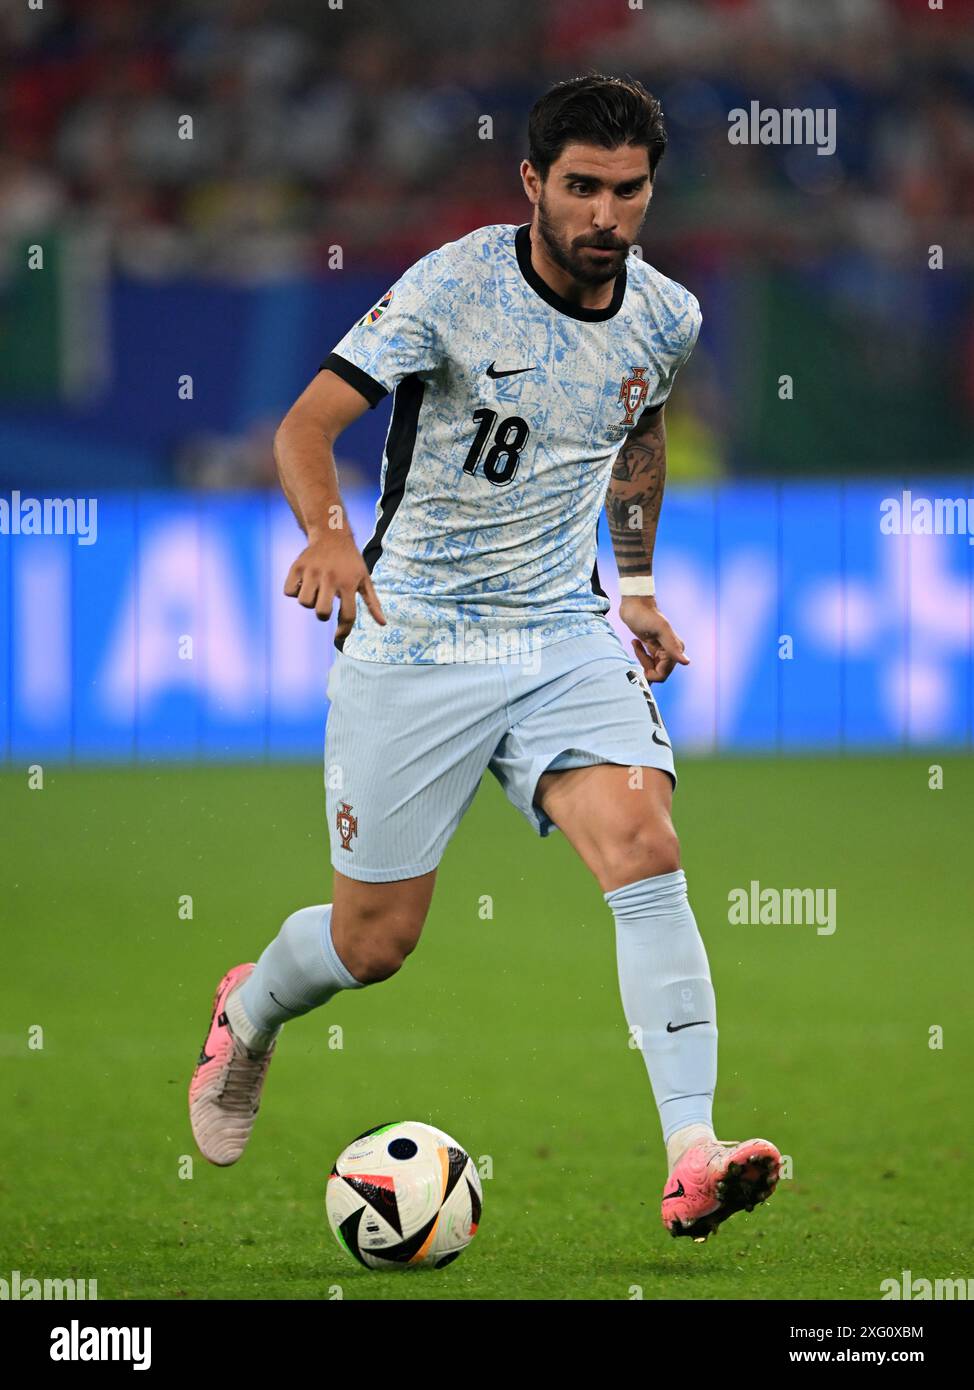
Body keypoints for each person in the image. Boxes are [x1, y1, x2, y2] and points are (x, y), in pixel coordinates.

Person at [189, 73, 781, 1242]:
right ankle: (248, 1009)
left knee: (645, 839)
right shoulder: (454, 285)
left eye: (626, 190)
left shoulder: (665, 315)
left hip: (562, 633)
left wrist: (642, 588)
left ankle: (690, 1150)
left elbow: (637, 426)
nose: (604, 214)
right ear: (532, 185)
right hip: (416, 639)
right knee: (374, 944)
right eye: (579, 188)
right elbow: (305, 424)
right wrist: (328, 536)